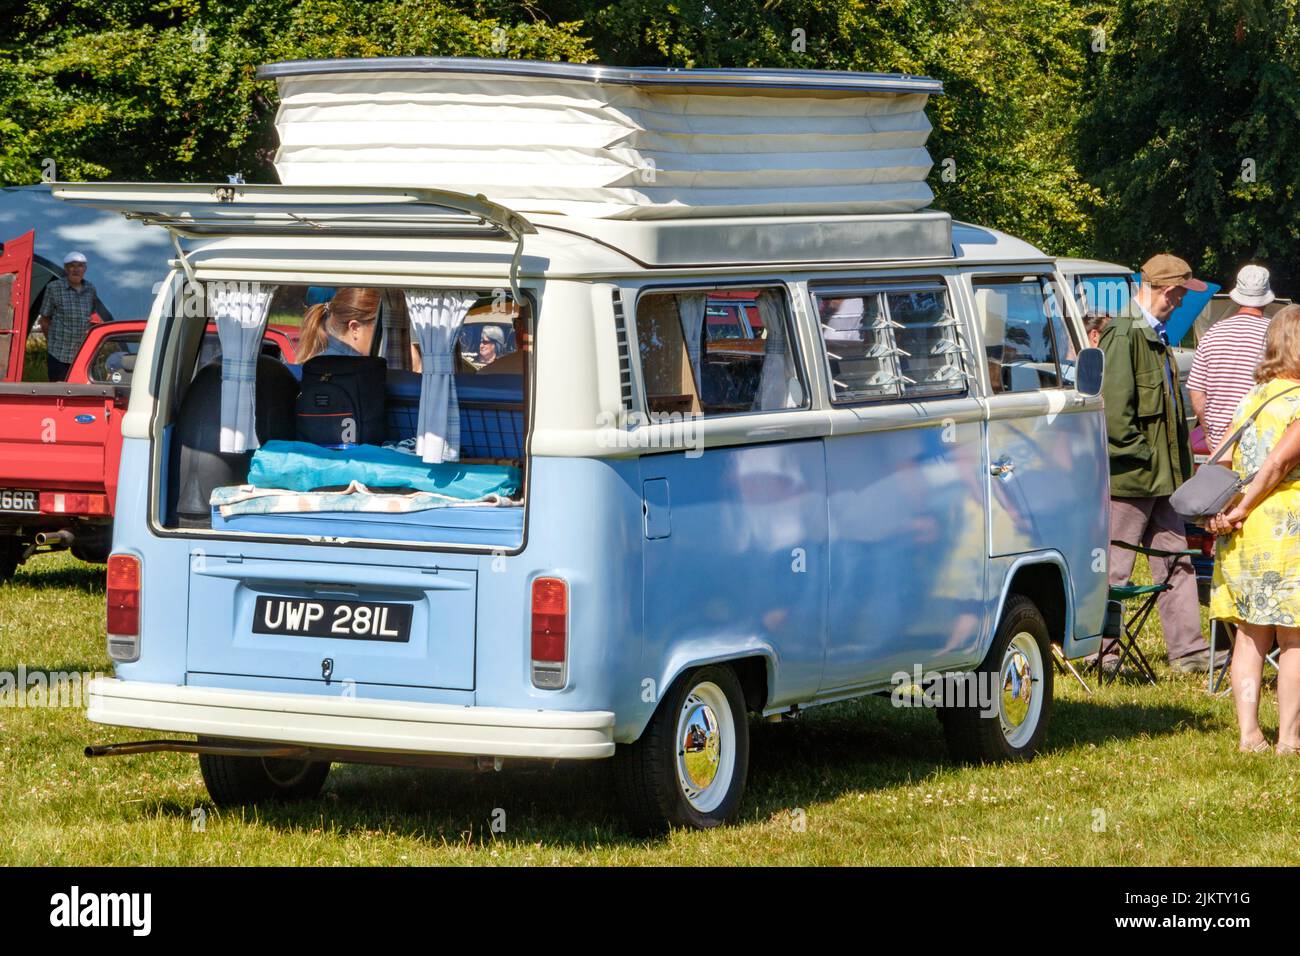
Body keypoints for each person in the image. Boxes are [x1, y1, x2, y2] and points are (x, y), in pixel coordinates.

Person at [1099, 253, 1221, 675]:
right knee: (1115, 569)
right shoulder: (1124, 334)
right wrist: (1148, 459)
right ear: (1169, 290)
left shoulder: (1153, 333)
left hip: (1161, 481)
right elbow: (1115, 416)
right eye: (1184, 291)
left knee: (1177, 563)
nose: (1186, 298)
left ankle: (1188, 652)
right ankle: (1103, 653)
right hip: (1131, 481)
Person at [1206, 305, 1300, 753]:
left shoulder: (1252, 397)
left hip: (1245, 534)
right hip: (1286, 528)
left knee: (1250, 634)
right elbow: (1279, 464)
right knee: (1295, 637)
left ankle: (1249, 734)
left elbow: (1221, 458)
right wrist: (1242, 508)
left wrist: (1227, 511)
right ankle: (1289, 737)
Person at [1187, 264, 1275, 452]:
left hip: (1219, 442)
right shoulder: (1275, 335)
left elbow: (1196, 391)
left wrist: (1208, 431)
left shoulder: (1213, 333)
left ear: (1237, 297)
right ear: (1266, 299)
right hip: (1260, 439)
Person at [35, 251, 108, 381]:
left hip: (82, 354)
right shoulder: (54, 288)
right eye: (71, 266)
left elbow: (90, 317)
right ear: (66, 268)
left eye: (80, 266)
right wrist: (51, 342)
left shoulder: (90, 289)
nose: (76, 269)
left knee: (79, 392)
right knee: (58, 392)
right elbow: (44, 319)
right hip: (59, 353)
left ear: (85, 269)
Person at [296, 287, 382, 362]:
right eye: (379, 328)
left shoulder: (320, 358)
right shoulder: (357, 371)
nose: (382, 337)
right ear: (355, 328)